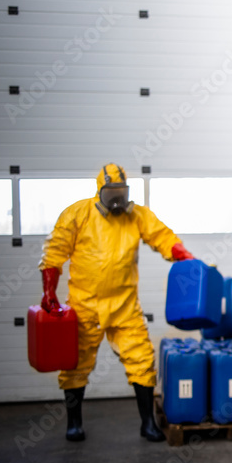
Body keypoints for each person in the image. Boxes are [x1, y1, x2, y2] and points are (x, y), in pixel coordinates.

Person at [39, 163, 195, 443]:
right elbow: (54, 252)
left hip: (125, 307)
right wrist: (48, 291)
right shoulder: (78, 214)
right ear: (100, 191)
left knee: (142, 360)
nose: (117, 199)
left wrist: (185, 257)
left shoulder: (137, 216)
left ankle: (148, 424)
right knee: (75, 365)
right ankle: (74, 424)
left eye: (121, 193)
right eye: (111, 193)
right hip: (84, 306)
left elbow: (162, 237)